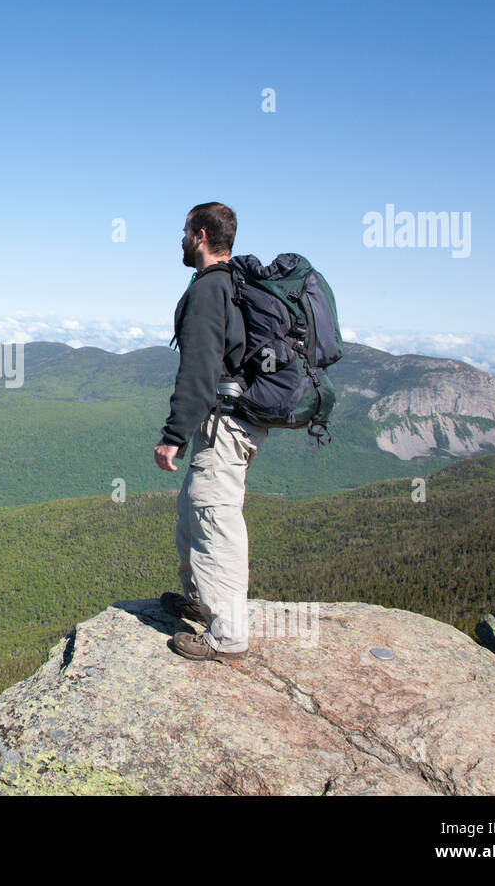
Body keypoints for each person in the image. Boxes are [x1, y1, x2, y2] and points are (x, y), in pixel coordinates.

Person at [153, 202, 268, 662]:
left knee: (213, 517)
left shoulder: (209, 290)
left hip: (224, 422)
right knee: (193, 508)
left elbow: (199, 369)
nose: (180, 239)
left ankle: (227, 636)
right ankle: (204, 602)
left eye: (184, 231)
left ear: (200, 235)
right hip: (232, 420)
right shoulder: (231, 285)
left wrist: (173, 434)